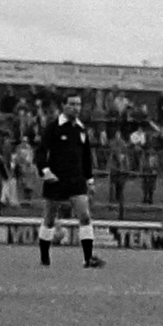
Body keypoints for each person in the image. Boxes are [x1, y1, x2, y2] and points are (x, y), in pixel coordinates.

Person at [36, 93, 104, 268]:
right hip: (56, 180)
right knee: (49, 219)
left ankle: (88, 258)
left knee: (85, 216)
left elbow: (86, 158)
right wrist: (45, 171)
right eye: (72, 104)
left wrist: (89, 180)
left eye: (79, 104)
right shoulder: (53, 128)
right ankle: (44, 257)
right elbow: (41, 151)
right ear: (63, 105)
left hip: (76, 180)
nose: (76, 107)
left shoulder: (81, 130)